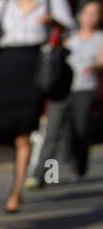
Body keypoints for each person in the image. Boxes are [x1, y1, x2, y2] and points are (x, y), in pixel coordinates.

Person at [0, 0, 78, 213]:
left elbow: (71, 29)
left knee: (23, 134)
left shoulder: (52, 2)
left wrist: (54, 22)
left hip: (34, 65)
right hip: (5, 62)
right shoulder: (3, 2)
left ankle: (16, 192)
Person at [36, 1, 103, 185]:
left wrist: (95, 66)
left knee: (79, 131)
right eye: (87, 13)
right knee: (53, 133)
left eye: (94, 14)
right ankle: (45, 175)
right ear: (80, 16)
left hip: (85, 88)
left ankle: (79, 168)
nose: (90, 18)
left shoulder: (100, 37)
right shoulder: (69, 36)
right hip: (63, 90)